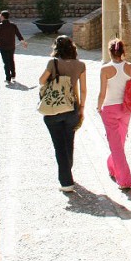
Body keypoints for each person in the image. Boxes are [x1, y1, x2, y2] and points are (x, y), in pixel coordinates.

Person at [39, 35, 87, 192]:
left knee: (59, 145)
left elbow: (41, 80)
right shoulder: (80, 65)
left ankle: (66, 182)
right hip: (71, 107)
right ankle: (68, 171)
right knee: (69, 142)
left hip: (53, 109)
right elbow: (83, 89)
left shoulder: (52, 63)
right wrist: (81, 107)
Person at [97, 39, 131, 190]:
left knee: (116, 145)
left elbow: (102, 93)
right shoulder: (130, 67)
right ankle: (112, 166)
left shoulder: (105, 69)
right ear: (122, 51)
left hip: (109, 108)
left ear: (110, 52)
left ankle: (125, 180)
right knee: (119, 142)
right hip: (125, 109)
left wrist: (98, 107)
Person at [0, 10, 27, 84]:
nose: (0, 17)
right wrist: (24, 42)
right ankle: (13, 75)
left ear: (2, 16)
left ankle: (8, 78)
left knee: (6, 62)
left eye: (0, 15)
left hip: (3, 47)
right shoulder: (13, 25)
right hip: (11, 46)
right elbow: (19, 35)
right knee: (11, 60)